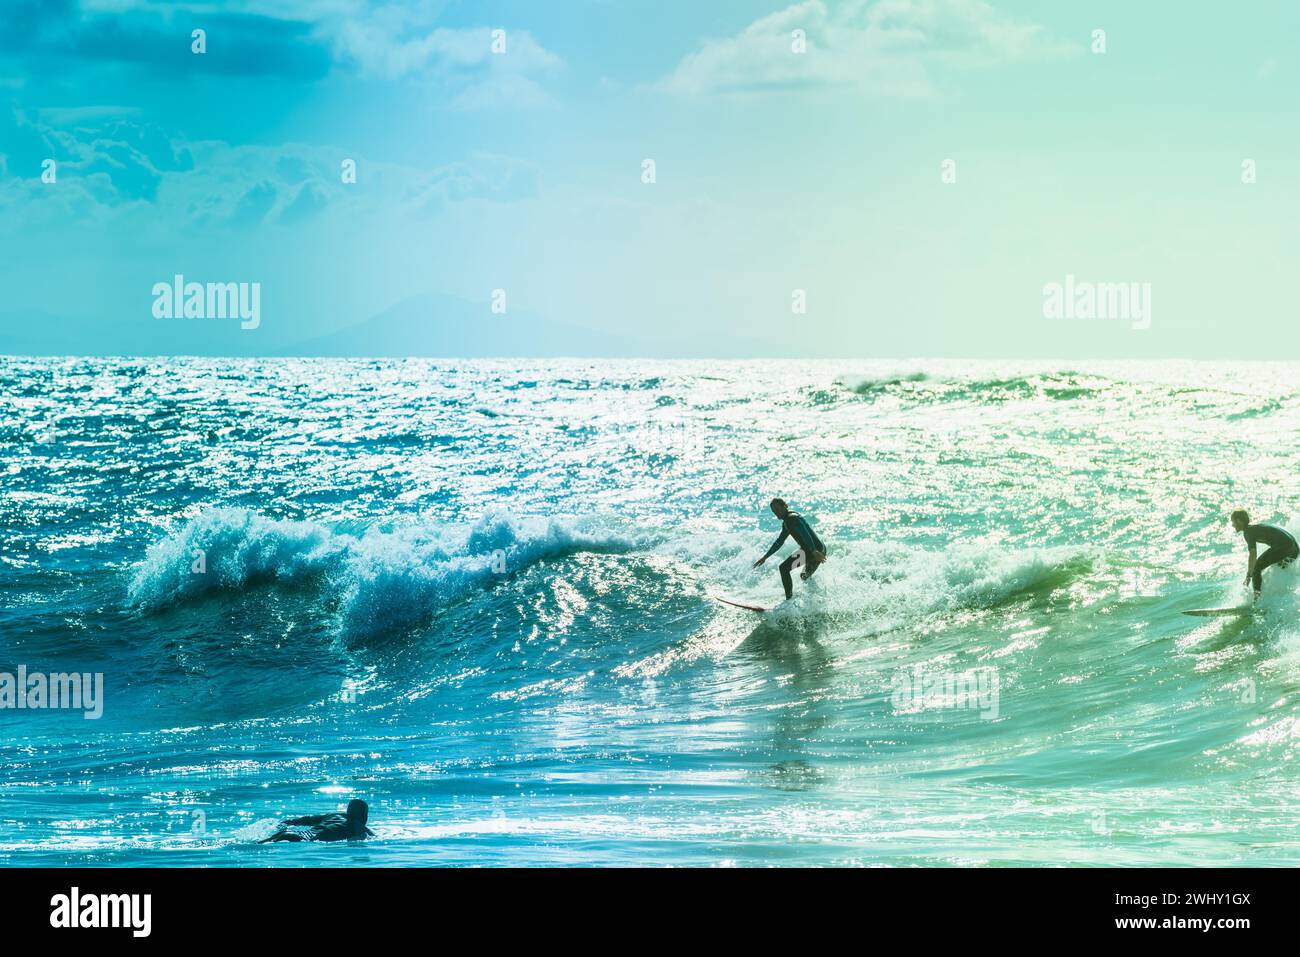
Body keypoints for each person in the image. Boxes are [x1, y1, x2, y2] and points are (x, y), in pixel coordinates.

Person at [753, 498, 827, 600]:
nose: (776, 513)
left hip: (814, 550)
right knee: (804, 576)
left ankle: (789, 600)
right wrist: (765, 557)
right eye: (774, 511)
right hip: (816, 549)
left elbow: (805, 534)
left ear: (785, 506)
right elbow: (779, 541)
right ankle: (817, 599)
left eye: (778, 509)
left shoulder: (792, 519)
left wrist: (814, 551)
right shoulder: (787, 522)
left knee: (784, 568)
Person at [1230, 509, 1298, 598]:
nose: (1232, 525)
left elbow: (1253, 554)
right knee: (1279, 568)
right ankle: (1280, 596)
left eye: (1233, 521)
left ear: (1238, 520)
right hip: (1294, 549)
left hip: (1283, 547)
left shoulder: (1248, 532)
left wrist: (1249, 575)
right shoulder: (1254, 528)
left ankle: (1256, 599)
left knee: (1256, 568)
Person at [258, 798, 375, 843]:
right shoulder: (360, 827)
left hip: (293, 834)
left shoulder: (333, 815)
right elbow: (370, 838)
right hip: (301, 838)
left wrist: (291, 822)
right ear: (364, 815)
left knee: (257, 845)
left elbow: (307, 820)